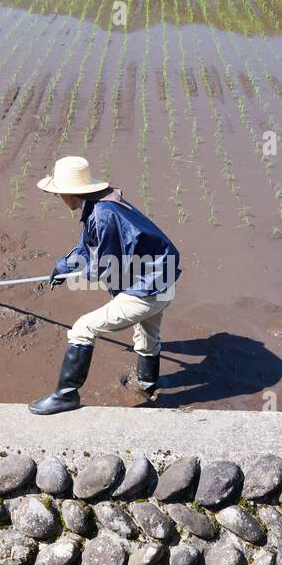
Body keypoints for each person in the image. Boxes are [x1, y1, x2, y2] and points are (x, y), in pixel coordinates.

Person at [30, 156, 181, 415]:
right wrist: (63, 267)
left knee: (82, 329)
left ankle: (66, 396)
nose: (58, 198)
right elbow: (87, 247)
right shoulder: (101, 203)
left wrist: (79, 274)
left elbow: (105, 267)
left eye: (58, 193)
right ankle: (147, 384)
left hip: (146, 289)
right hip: (160, 281)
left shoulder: (103, 215)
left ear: (70, 193)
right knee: (146, 335)